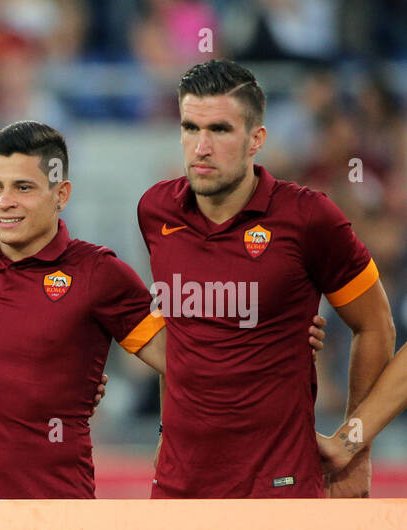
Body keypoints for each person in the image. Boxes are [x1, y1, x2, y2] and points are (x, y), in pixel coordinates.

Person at [138, 60, 395, 498]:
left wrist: (355, 446)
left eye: (219, 130)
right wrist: (166, 428)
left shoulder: (309, 218)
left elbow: (375, 326)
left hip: (277, 486)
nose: (200, 147)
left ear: (256, 139)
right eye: (189, 127)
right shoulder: (155, 211)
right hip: (178, 487)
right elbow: (182, 333)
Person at [0, 121, 168, 498]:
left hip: (58, 513)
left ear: (61, 194)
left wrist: (169, 435)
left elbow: (180, 363)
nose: (3, 202)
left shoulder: (98, 272)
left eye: (23, 187)